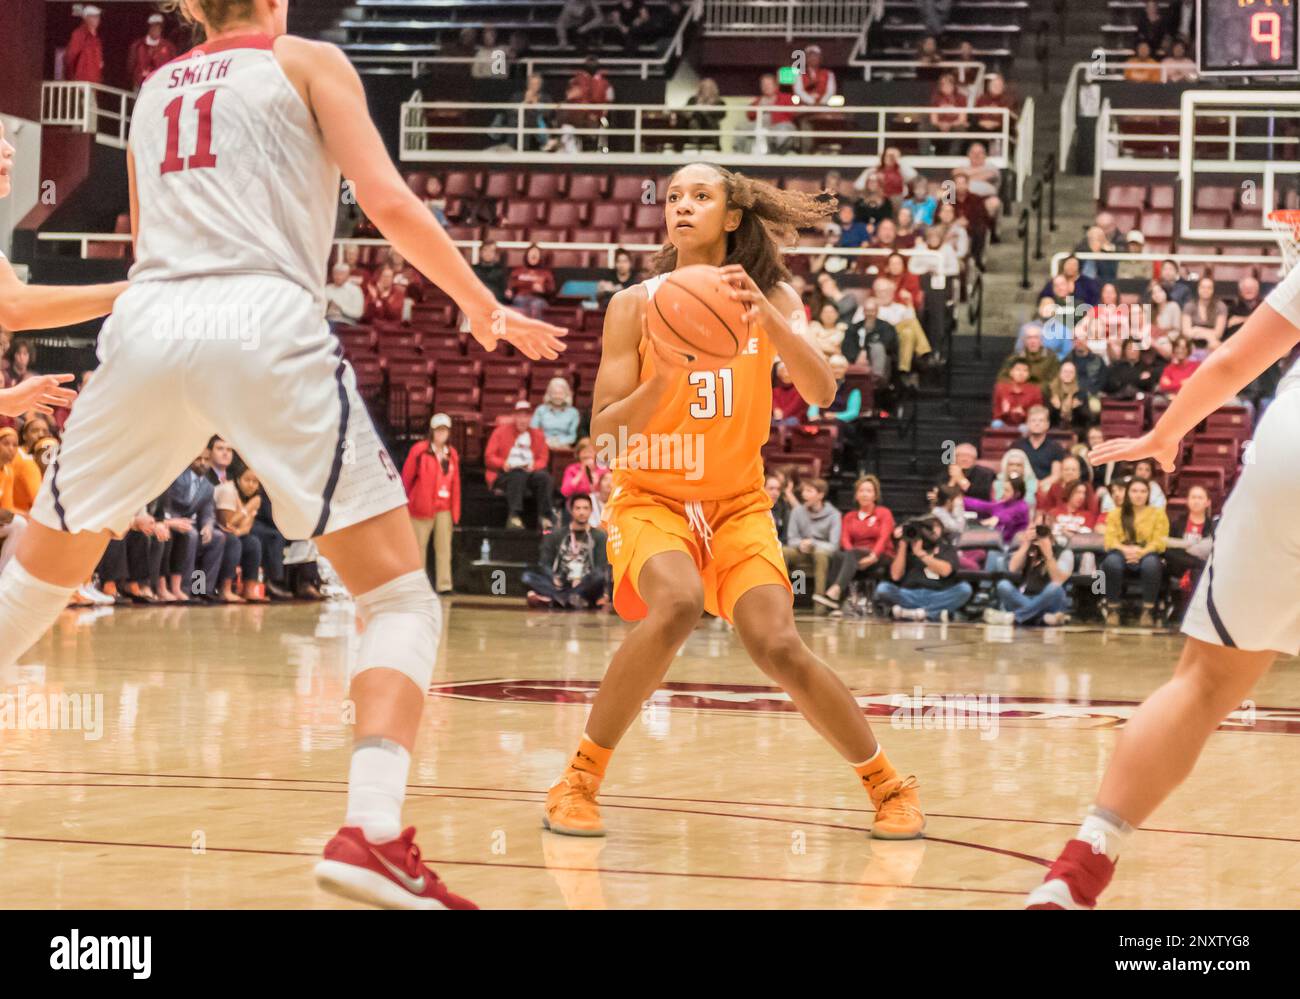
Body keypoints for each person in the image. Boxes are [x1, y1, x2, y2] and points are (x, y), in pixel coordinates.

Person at [0, 0, 567, 911]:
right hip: (261, 317)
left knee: (35, 575)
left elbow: (148, 247)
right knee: (393, 593)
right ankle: (372, 834)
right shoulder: (307, 60)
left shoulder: (149, 93)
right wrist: (480, 303)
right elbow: (385, 201)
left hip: (151, 320)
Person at [542, 162, 925, 843]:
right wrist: (663, 379)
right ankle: (578, 777)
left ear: (733, 216)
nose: (682, 206)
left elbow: (821, 390)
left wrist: (769, 317)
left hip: (738, 503)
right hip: (651, 493)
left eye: (701, 195)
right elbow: (602, 436)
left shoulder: (773, 292)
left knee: (778, 642)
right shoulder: (635, 303)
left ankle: (890, 785)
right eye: (674, 196)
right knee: (679, 602)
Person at [1028, 194, 1300, 912]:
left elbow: (1235, 360)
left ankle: (1075, 873)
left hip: (1289, 455)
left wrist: (1164, 432)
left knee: (1205, 685)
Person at [815, 474, 893, 612]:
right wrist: (851, 557)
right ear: (856, 495)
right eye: (861, 491)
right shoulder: (849, 516)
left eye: (869, 491)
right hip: (855, 555)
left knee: (852, 553)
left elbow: (884, 537)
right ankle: (835, 606)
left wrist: (873, 556)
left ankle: (835, 590)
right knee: (838, 555)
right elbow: (845, 539)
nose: (865, 494)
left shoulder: (884, 513)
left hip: (881, 555)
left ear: (875, 495)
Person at [401, 413, 460, 594]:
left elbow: (455, 482)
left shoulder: (452, 453)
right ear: (432, 432)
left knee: (444, 548)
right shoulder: (419, 450)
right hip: (421, 506)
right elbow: (406, 478)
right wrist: (406, 503)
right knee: (419, 548)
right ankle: (418, 587)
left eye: (445, 431)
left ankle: (444, 585)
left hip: (444, 507)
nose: (441, 434)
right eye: (438, 430)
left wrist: (455, 510)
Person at [1097, 478, 1168, 627]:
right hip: (1122, 550)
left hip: (1147, 552)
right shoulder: (1116, 513)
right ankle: (1113, 610)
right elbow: (1109, 540)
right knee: (1111, 562)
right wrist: (1125, 550)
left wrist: (1141, 552)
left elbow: (1160, 541)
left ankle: (1148, 611)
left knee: (1151, 564)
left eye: (1143, 491)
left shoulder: (1158, 514)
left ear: (1148, 494)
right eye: (1134, 491)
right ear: (1128, 493)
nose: (1139, 495)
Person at [984, 512, 1074, 627]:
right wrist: (1025, 544)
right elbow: (1012, 568)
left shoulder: (1065, 552)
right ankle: (1042, 618)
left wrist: (1049, 556)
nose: (1041, 533)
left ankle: (1014, 617)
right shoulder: (1029, 549)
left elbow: (1058, 580)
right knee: (1003, 585)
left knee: (1055, 588)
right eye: (1038, 528)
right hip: (1024, 597)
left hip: (1050, 600)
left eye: (1044, 529)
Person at [876, 516, 972, 622]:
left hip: (938, 594)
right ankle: (931, 614)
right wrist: (903, 545)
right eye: (928, 527)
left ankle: (911, 613)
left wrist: (921, 554)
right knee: (883, 588)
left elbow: (945, 571)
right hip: (909, 594)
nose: (932, 531)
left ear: (942, 530)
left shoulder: (946, 548)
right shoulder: (908, 548)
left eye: (935, 527)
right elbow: (895, 575)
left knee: (964, 589)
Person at [523, 493, 609, 609]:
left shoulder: (599, 536)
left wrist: (582, 580)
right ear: (571, 510)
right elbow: (545, 562)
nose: (582, 512)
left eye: (585, 508)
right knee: (527, 576)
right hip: (561, 582)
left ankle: (555, 599)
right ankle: (570, 599)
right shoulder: (556, 535)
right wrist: (554, 577)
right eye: (578, 508)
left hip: (585, 584)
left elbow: (600, 566)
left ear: (591, 511)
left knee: (599, 576)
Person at [487, 399, 555, 529]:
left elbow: (543, 459)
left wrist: (532, 467)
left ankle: (545, 516)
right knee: (517, 474)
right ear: (514, 416)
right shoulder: (500, 432)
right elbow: (489, 457)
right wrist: (503, 464)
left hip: (529, 472)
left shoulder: (538, 435)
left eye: (526, 416)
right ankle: (514, 516)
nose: (523, 420)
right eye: (519, 416)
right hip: (504, 474)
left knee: (545, 478)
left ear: (531, 418)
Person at [214, 457, 267, 603]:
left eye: (255, 482)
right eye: (247, 480)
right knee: (233, 541)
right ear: (238, 479)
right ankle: (225, 590)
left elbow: (247, 527)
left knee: (253, 542)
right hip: (216, 529)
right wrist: (248, 509)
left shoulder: (253, 497)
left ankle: (249, 589)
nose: (251, 485)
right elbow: (228, 523)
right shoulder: (228, 490)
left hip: (236, 533)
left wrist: (240, 527)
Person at [782, 477, 842, 602]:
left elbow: (834, 545)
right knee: (783, 552)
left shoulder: (834, 515)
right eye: (804, 491)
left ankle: (819, 603)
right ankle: (781, 599)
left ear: (820, 495)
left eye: (809, 491)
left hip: (822, 552)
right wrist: (800, 544)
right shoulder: (797, 512)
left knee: (820, 554)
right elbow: (791, 539)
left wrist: (814, 544)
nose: (804, 494)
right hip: (801, 550)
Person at [740, 73, 797, 154]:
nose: (765, 87)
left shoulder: (786, 98)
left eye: (768, 84)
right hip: (760, 126)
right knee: (741, 127)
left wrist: (774, 109)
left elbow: (793, 113)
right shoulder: (758, 100)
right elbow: (750, 115)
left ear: (775, 86)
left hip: (779, 125)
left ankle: (779, 153)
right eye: (763, 84)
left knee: (784, 130)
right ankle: (739, 152)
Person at [1014, 405, 1067, 482]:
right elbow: (1013, 472)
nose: (1037, 423)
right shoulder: (1017, 446)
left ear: (1047, 424)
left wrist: (1040, 485)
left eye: (1041, 420)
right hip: (1022, 487)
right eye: (1033, 420)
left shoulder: (1056, 448)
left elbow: (1056, 475)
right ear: (1027, 424)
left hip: (1047, 488)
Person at [128, 14, 177, 90]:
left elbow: (174, 66)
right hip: (140, 86)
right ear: (149, 28)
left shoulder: (169, 47)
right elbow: (130, 65)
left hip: (161, 86)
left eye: (158, 27)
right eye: (153, 27)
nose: (156, 30)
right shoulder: (138, 45)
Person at [991, 358, 1043, 428]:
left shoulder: (1035, 390)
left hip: (1025, 423)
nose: (1021, 373)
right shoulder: (1000, 388)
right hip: (1004, 422)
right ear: (1011, 372)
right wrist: (1006, 412)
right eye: (1018, 370)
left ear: (1029, 374)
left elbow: (1038, 413)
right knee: (996, 424)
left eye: (1025, 370)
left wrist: (1024, 414)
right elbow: (995, 413)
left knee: (1025, 428)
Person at [508, 244, 556, 319]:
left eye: (536, 254)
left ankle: (535, 329)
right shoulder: (517, 272)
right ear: (527, 256)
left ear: (540, 257)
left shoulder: (546, 273)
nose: (533, 256)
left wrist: (543, 290)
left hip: (539, 299)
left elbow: (551, 291)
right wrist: (509, 292)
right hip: (521, 298)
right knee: (520, 300)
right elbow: (510, 288)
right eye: (531, 254)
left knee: (536, 304)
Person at [532, 376, 580, 448]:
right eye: (554, 393)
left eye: (560, 393)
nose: (557, 396)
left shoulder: (573, 413)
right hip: (542, 444)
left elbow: (573, 436)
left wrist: (560, 443)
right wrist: (546, 441)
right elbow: (533, 431)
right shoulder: (540, 410)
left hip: (564, 447)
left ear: (566, 394)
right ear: (549, 394)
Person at [65, 5, 105, 84]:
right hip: (81, 82)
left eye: (98, 16)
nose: (98, 19)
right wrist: (72, 78)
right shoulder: (79, 34)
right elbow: (70, 56)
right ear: (86, 18)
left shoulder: (96, 39)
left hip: (94, 83)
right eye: (94, 16)